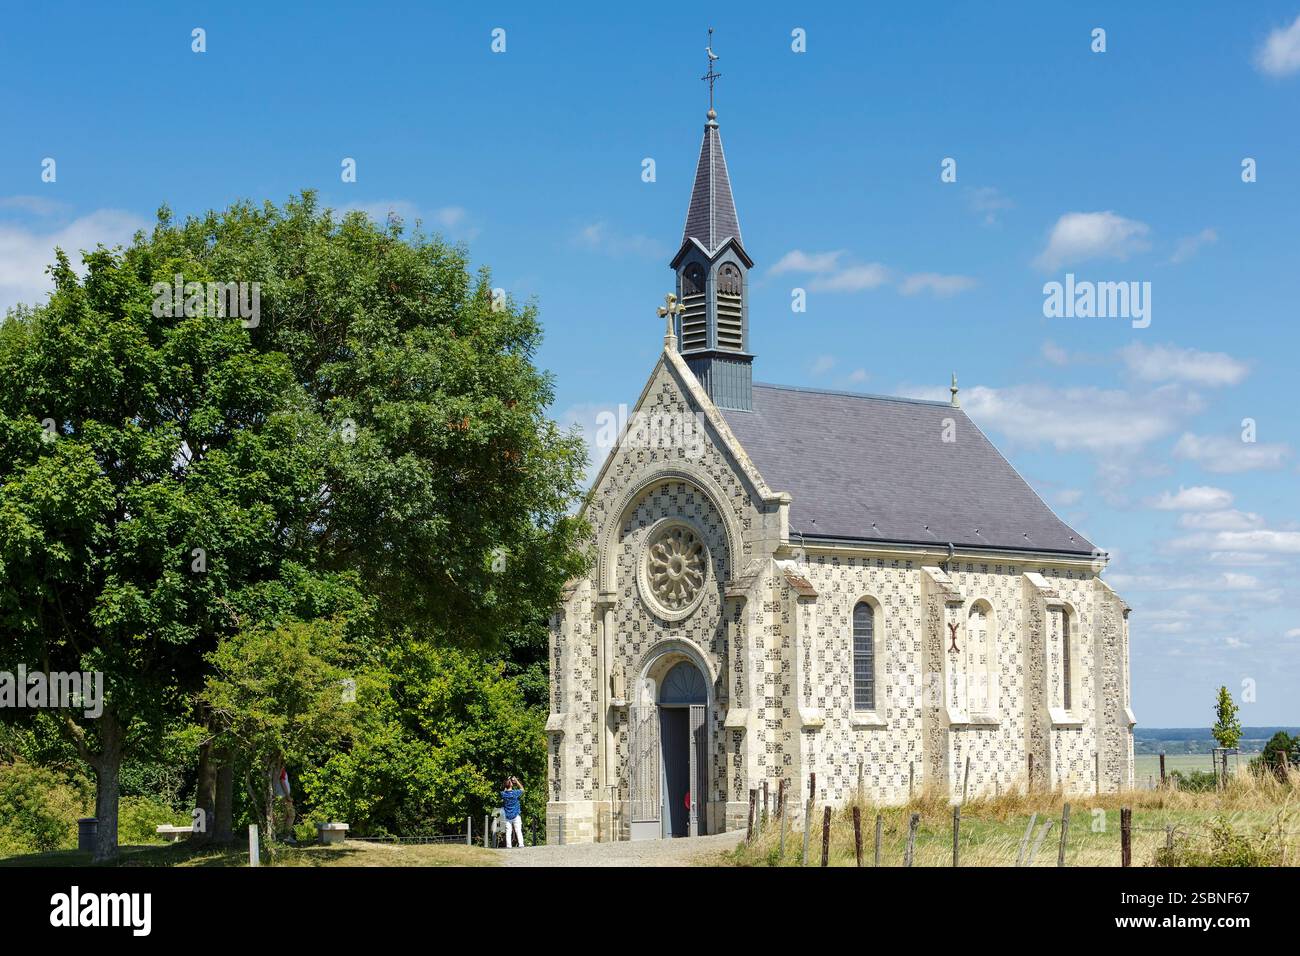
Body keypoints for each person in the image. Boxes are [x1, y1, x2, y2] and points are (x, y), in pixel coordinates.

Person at [500, 776, 524, 848]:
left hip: (507, 816)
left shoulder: (503, 794)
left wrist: (507, 781)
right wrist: (516, 781)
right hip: (516, 815)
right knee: (518, 830)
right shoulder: (515, 793)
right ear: (511, 784)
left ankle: (509, 846)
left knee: (508, 832)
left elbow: (504, 789)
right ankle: (521, 844)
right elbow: (522, 789)